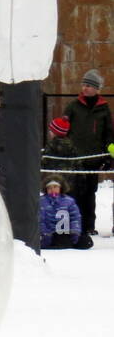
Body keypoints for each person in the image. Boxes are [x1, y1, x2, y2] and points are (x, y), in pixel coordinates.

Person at [63, 69, 113, 237]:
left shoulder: (104, 109)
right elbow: (63, 128)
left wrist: (107, 156)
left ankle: (89, 225)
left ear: (97, 89)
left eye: (89, 85)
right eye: (84, 84)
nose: (85, 88)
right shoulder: (73, 106)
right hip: (75, 159)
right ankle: (75, 224)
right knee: (74, 192)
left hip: (93, 159)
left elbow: (108, 133)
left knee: (90, 193)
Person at [39, 175, 90, 250]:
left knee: (85, 241)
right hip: (49, 233)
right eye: (49, 188)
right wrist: (45, 233)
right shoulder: (42, 201)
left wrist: (75, 232)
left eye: (55, 187)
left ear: (61, 188)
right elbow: (40, 220)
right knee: (59, 241)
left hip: (65, 232)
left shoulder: (69, 201)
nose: (52, 189)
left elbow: (75, 218)